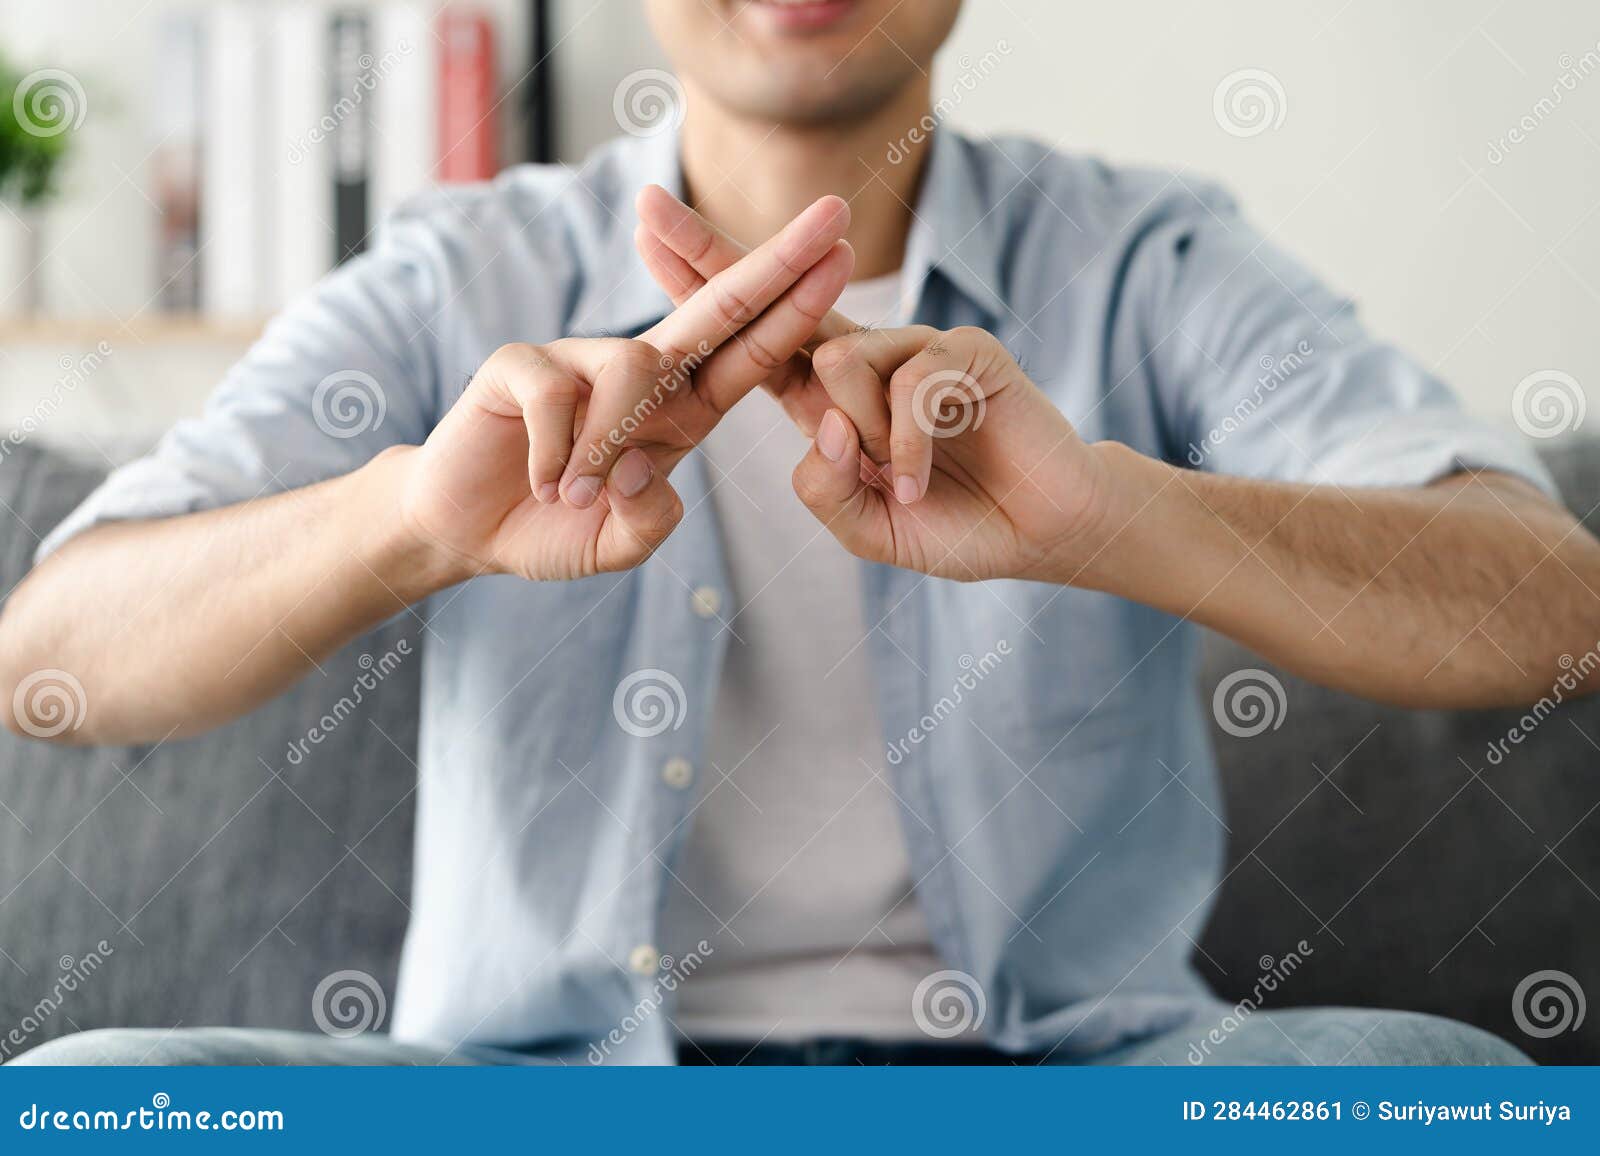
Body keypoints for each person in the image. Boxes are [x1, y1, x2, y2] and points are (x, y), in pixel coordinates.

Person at [4, 0, 1594, 1066]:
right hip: (530, 1100)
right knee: (109, 1096)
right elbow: (52, 654)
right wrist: (404, 518)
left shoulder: (1148, 265)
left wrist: (1117, 515)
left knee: (1428, 1082)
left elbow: (1552, 608)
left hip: (1080, 1089)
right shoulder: (456, 278)